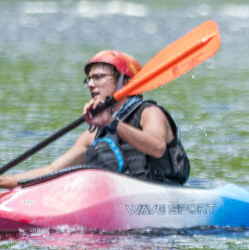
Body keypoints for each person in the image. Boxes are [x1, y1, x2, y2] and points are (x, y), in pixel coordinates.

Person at [0, 51, 190, 189]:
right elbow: (52, 169)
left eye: (99, 77)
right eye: (89, 79)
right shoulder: (92, 135)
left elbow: (157, 148)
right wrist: (5, 182)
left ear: (125, 80)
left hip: (159, 199)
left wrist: (111, 123)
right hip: (116, 205)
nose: (91, 84)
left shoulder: (149, 112)